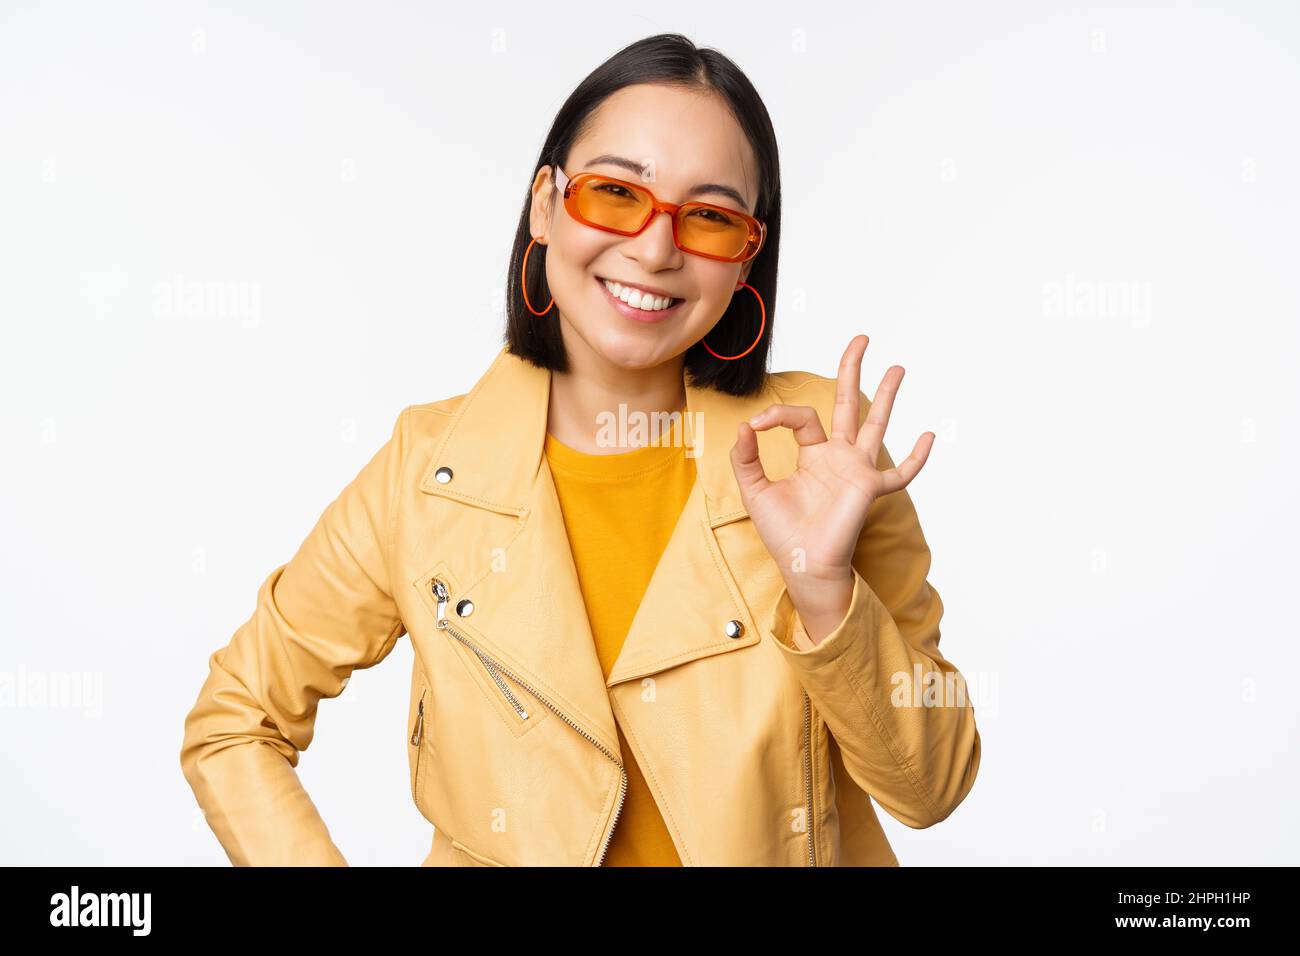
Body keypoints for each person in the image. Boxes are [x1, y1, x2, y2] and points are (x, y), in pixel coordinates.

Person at [180, 32, 980, 867]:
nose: (655, 247)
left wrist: (824, 595)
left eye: (708, 216)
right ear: (545, 204)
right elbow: (236, 722)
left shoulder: (823, 449)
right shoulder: (427, 468)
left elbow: (933, 788)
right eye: (614, 193)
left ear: (749, 256)